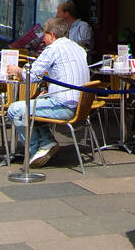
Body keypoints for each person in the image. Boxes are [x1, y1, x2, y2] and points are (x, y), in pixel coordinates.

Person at [6, 16, 89, 167]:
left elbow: (30, 75)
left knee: (14, 110)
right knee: (34, 105)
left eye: (44, 35)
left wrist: (16, 70)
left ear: (51, 35)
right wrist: (48, 90)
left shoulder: (53, 48)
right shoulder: (78, 48)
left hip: (64, 106)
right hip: (81, 106)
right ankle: (46, 143)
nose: (43, 40)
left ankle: (35, 150)